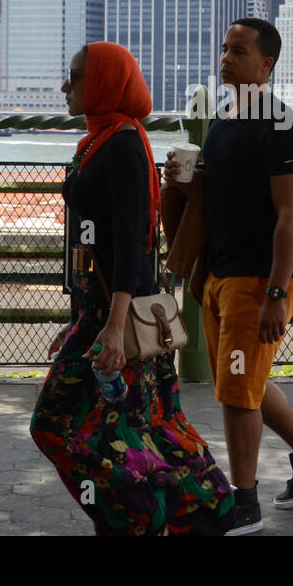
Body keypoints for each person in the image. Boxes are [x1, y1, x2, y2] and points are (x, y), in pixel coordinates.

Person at [30, 42, 235, 536]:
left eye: (75, 77)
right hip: (99, 311)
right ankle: (193, 510)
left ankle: (143, 510)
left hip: (116, 315)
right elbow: (98, 243)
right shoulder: (99, 141)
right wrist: (80, 316)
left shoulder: (122, 143)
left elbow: (130, 246)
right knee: (144, 422)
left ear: (103, 82)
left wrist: (113, 329)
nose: (65, 87)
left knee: (56, 423)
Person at [164, 18, 293, 535]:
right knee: (240, 381)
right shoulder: (222, 119)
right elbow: (215, 197)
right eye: (224, 49)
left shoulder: (282, 125)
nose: (226, 58)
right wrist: (186, 180)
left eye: (238, 51)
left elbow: (291, 215)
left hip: (260, 277)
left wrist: (276, 294)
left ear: (267, 65)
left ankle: (245, 503)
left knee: (235, 392)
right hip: (220, 270)